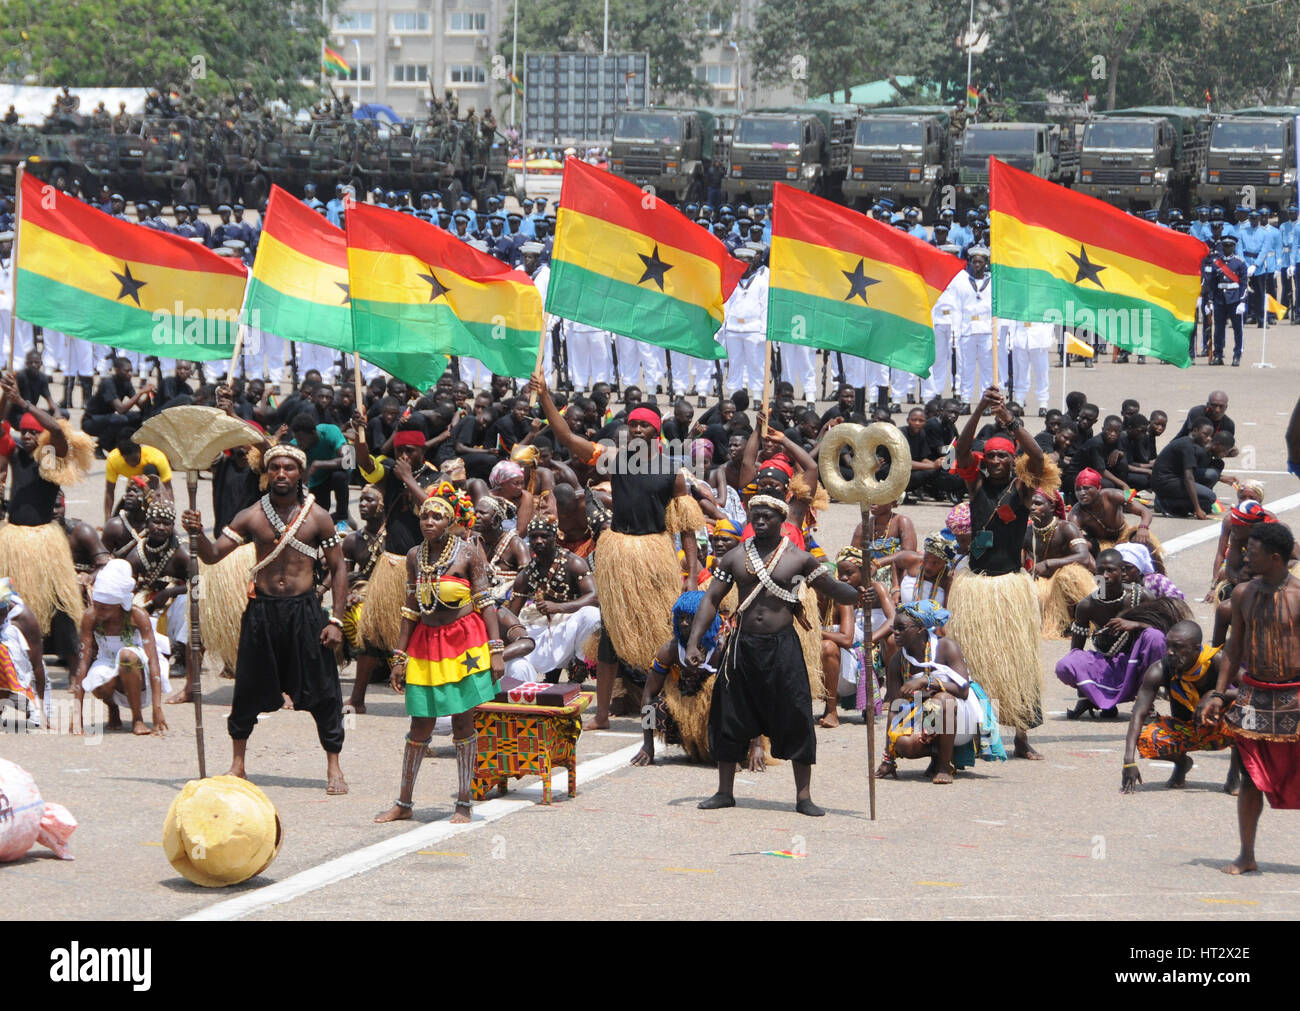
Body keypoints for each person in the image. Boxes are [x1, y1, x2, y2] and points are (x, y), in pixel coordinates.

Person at [530, 371, 705, 730]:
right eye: (634, 425)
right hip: (620, 557)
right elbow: (565, 436)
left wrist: (690, 573)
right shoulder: (614, 459)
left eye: (645, 426)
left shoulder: (674, 473)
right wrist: (546, 395)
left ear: (656, 432)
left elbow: (686, 528)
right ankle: (603, 715)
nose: (638, 430)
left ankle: (662, 714)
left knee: (663, 634)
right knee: (610, 633)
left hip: (655, 557)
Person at [180, 444, 349, 795]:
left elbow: (338, 568)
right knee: (248, 687)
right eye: (275, 468)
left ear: (300, 473)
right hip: (262, 612)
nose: (281, 474)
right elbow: (211, 557)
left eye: (289, 468)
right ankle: (238, 765)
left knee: (324, 689)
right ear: (267, 473)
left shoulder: (317, 516)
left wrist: (336, 620)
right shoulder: (251, 515)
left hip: (304, 611)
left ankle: (333, 766)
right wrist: (196, 532)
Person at [685, 496, 867, 816]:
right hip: (743, 647)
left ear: (781, 520)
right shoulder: (734, 558)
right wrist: (693, 642)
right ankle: (724, 791)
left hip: (783, 648)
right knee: (729, 713)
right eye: (756, 515)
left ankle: (804, 797)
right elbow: (711, 599)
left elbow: (833, 589)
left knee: (796, 715)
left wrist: (860, 593)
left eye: (767, 516)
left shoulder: (799, 559)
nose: (761, 520)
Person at [374, 491, 505, 825]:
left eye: (437, 517)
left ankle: (464, 803)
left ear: (450, 522)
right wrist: (399, 656)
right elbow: (411, 609)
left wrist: (495, 650)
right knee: (420, 722)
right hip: (426, 645)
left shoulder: (468, 553)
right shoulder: (415, 556)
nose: (429, 522)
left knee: (463, 721)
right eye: (424, 517)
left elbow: (486, 602)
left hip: (465, 643)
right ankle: (403, 802)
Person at [946, 386, 1051, 758]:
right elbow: (961, 451)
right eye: (989, 456)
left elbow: (1037, 457)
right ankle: (975, 732)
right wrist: (978, 409)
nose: (994, 462)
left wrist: (1008, 420)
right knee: (974, 662)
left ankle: (1022, 736)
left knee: (1019, 660)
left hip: (1010, 587)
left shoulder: (1021, 490)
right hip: (976, 587)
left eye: (1001, 457)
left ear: (1011, 462)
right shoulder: (975, 487)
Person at [1200, 522, 1300, 874]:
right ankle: (1247, 854)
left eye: (1252, 551)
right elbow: (1234, 646)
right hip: (1254, 694)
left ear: (1274, 558)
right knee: (1248, 774)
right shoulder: (1242, 593)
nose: (1244, 555)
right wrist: (1217, 692)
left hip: (1296, 694)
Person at [0, 376, 93, 645]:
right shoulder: (16, 455)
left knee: (55, 599)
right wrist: (6, 398)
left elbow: (57, 430)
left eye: (33, 433)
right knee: (8, 594)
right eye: (24, 432)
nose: (27, 436)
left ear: (42, 438)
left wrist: (23, 403)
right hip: (13, 540)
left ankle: (66, 646)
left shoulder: (50, 461)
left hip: (44, 541)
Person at [877, 599, 1006, 783]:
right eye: (893, 627)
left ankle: (944, 766)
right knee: (904, 743)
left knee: (942, 700)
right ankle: (937, 754)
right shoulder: (899, 659)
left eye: (901, 628)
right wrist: (888, 758)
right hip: (926, 719)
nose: (894, 633)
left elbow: (963, 691)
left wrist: (925, 681)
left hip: (959, 718)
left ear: (920, 629)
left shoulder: (946, 647)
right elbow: (895, 708)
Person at [1055, 549, 1188, 718]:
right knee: (1066, 664)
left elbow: (1166, 631)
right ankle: (1098, 699)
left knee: (1154, 637)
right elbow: (1076, 652)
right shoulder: (1087, 605)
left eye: (1111, 570)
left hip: (1138, 667)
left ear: (1122, 572)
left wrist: (1136, 624)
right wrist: (1084, 695)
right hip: (1108, 668)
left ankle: (1146, 703)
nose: (1105, 576)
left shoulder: (1141, 596)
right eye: (1100, 571)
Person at [1121, 620, 1238, 793]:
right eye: (1168, 645)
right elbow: (1138, 713)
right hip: (1186, 730)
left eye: (1178, 647)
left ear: (1196, 648)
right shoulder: (1160, 669)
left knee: (1246, 714)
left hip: (1220, 727)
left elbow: (1252, 691)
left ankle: (1234, 775)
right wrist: (1128, 760)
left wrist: (1216, 695)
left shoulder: (1217, 661)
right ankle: (1182, 763)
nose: (1169, 652)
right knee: (1145, 736)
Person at [632, 590, 730, 766]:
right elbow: (647, 694)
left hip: (719, 716)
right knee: (656, 706)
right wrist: (648, 744)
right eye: (680, 617)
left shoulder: (722, 649)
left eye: (690, 618)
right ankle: (693, 744)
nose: (684, 623)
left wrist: (757, 746)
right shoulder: (670, 650)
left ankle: (729, 749)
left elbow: (748, 697)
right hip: (687, 713)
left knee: (726, 698)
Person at [72, 560, 169, 737]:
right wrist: (77, 714)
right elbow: (83, 662)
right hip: (107, 661)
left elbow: (153, 659)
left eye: (105, 608)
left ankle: (137, 717)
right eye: (97, 606)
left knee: (126, 656)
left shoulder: (137, 616)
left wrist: (157, 708)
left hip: (137, 666)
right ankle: (113, 708)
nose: (98, 612)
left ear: (118, 605)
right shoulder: (90, 616)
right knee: (97, 678)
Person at [503, 514, 601, 683]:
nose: (538, 541)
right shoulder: (526, 574)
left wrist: (559, 608)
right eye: (533, 537)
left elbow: (595, 597)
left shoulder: (573, 563)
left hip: (570, 624)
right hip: (541, 627)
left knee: (592, 616)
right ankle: (538, 677)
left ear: (555, 537)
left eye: (544, 536)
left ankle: (577, 672)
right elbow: (511, 616)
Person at [818, 547, 893, 727]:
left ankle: (891, 693)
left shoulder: (876, 588)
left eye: (849, 573)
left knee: (892, 640)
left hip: (871, 643)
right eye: (840, 573)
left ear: (862, 571)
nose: (844, 578)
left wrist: (871, 639)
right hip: (850, 646)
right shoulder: (834, 595)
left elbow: (893, 619)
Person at [1024, 489, 1096, 638]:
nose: (1032, 507)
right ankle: (1051, 622)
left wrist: (1049, 563)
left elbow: (1084, 557)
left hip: (1065, 579)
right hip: (1043, 581)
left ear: (1051, 507)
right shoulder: (1027, 532)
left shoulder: (1067, 528)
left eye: (1038, 503)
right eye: (1031, 503)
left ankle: (1075, 621)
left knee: (1068, 576)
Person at [1068, 467, 1160, 566]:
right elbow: (1079, 546)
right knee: (1080, 546)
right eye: (1078, 489)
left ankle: (1154, 574)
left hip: (1123, 535)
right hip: (1098, 542)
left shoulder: (1114, 494)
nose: (1081, 493)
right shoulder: (1075, 515)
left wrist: (1143, 528)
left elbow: (1145, 511)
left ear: (1098, 488)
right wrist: (1098, 570)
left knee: (1144, 539)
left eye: (1087, 488)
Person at [0, 578, 50, 725]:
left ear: (6, 607)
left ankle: (32, 706)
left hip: (20, 679)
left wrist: (43, 710)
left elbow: (37, 665)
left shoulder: (24, 617)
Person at [1151, 417, 1217, 519]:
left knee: (1210, 476)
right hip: (1165, 482)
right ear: (1195, 431)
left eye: (1210, 436)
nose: (1208, 438)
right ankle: (1166, 504)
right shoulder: (1186, 446)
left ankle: (1178, 505)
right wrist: (1197, 508)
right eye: (1205, 434)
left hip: (1173, 478)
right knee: (1210, 497)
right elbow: (1188, 477)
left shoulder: (1190, 443)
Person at [103, 431, 175, 522]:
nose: (132, 463)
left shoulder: (157, 457)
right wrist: (108, 519)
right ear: (122, 456)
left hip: (151, 487)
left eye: (135, 459)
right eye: (127, 461)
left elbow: (168, 488)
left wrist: (169, 512)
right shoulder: (113, 459)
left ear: (140, 451)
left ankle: (150, 510)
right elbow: (109, 491)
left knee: (150, 469)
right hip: (134, 486)